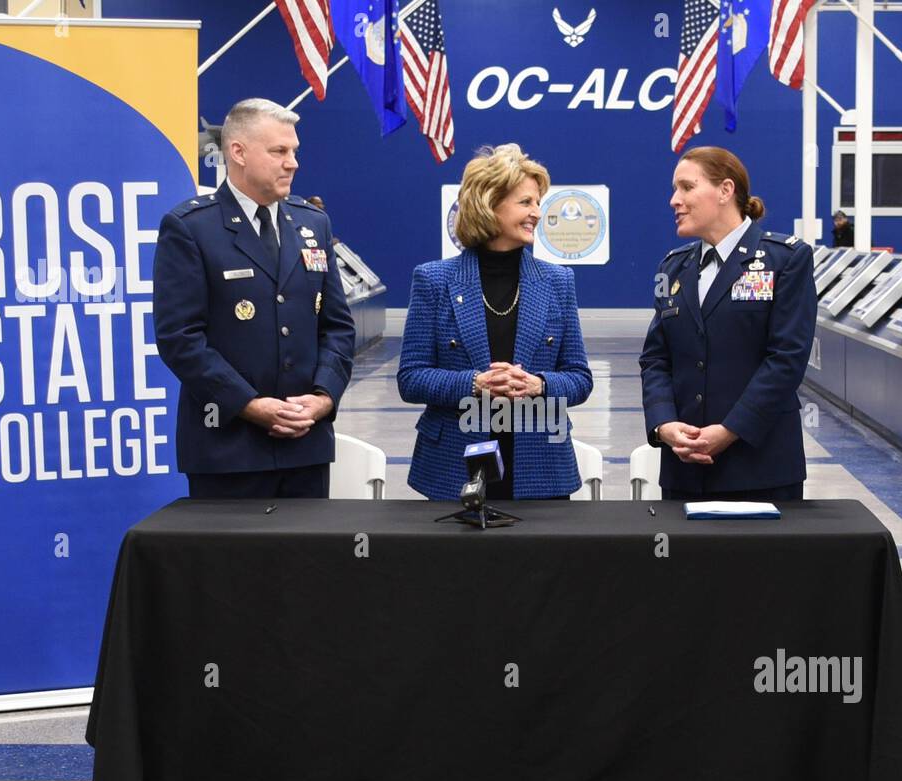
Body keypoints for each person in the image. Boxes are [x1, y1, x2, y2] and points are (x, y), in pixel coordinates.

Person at [152, 98, 355, 499]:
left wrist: (322, 398)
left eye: (294, 151)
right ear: (238, 153)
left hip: (305, 446)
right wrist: (250, 405)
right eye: (279, 151)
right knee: (228, 565)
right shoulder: (190, 228)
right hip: (227, 449)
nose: (293, 162)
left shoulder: (313, 222)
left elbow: (337, 327)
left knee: (306, 563)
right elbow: (181, 338)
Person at [397, 143, 592, 501]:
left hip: (541, 470)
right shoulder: (433, 280)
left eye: (537, 201)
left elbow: (580, 379)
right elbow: (411, 379)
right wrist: (473, 384)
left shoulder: (558, 282)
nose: (537, 212)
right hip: (453, 471)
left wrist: (539, 385)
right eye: (525, 202)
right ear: (488, 204)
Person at [640, 146, 817, 502]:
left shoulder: (786, 259)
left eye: (686, 187)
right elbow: (656, 359)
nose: (675, 200)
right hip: (684, 469)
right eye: (675, 189)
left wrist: (730, 430)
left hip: (761, 468)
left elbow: (787, 358)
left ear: (725, 190)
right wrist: (664, 425)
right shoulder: (672, 268)